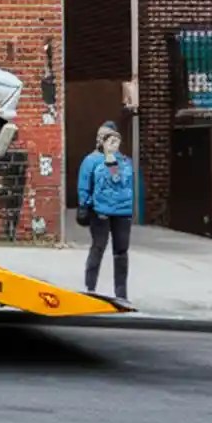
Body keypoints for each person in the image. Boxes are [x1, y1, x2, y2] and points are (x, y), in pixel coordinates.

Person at [77, 121, 140, 301]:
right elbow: (84, 184)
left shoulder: (124, 162)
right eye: (100, 136)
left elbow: (119, 180)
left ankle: (121, 294)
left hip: (121, 213)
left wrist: (111, 158)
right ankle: (90, 288)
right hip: (100, 211)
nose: (101, 139)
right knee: (98, 247)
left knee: (121, 252)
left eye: (106, 137)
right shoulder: (91, 160)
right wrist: (85, 204)